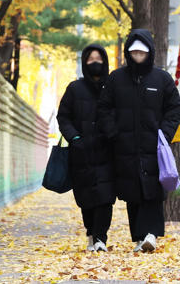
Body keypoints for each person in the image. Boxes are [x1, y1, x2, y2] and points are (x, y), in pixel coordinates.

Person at [97, 29, 180, 253]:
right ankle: (138, 238)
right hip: (124, 148)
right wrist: (113, 132)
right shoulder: (116, 78)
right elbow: (104, 108)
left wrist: (165, 133)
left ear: (150, 53)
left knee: (153, 190)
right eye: (133, 53)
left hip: (154, 147)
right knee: (132, 192)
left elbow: (174, 108)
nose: (138, 56)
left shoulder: (162, 79)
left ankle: (151, 234)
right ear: (128, 53)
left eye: (142, 53)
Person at [57, 44, 115, 252]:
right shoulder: (74, 89)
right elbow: (63, 117)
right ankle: (91, 233)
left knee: (106, 197)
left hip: (107, 152)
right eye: (91, 60)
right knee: (86, 198)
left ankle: (101, 238)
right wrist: (75, 137)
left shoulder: (112, 87)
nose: (95, 63)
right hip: (81, 153)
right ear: (84, 63)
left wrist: (113, 134)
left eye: (99, 59)